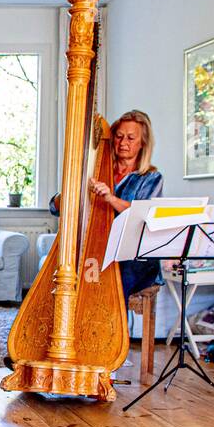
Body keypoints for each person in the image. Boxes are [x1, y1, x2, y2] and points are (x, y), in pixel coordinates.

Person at [49, 109, 164, 298]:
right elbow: (54, 209)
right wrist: (70, 188)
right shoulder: (98, 169)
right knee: (66, 268)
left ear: (142, 143)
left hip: (134, 258)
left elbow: (142, 214)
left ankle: (116, 327)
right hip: (100, 249)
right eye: (119, 137)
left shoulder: (151, 177)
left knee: (117, 277)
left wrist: (110, 198)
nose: (123, 143)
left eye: (130, 138)